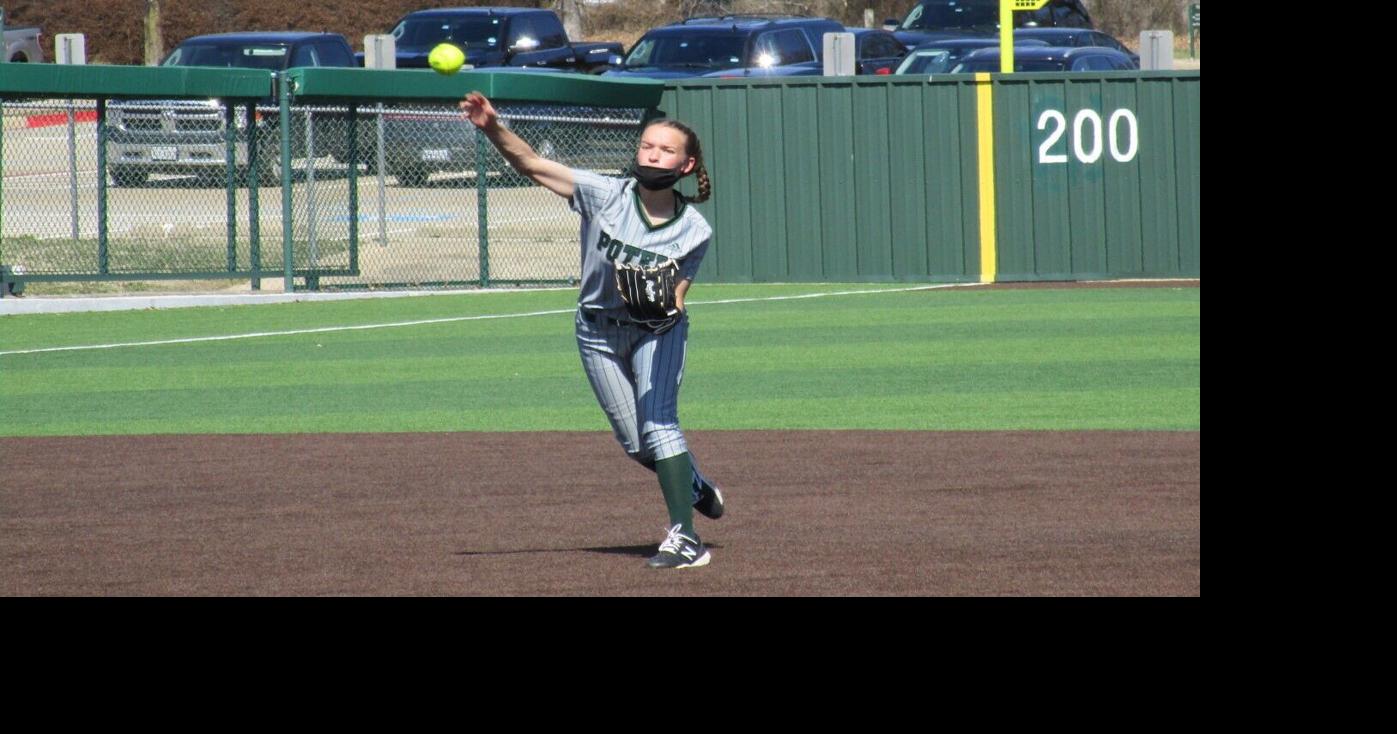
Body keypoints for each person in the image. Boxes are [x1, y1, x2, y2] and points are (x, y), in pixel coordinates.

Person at [460, 91, 725, 569]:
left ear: (686, 166)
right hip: (596, 331)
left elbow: (677, 297)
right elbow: (533, 165)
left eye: (666, 150)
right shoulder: (605, 194)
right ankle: (693, 485)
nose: (653, 155)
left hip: (656, 332)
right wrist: (492, 128)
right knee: (637, 445)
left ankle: (686, 538)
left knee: (659, 424)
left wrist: (662, 302)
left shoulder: (694, 229)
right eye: (647, 146)